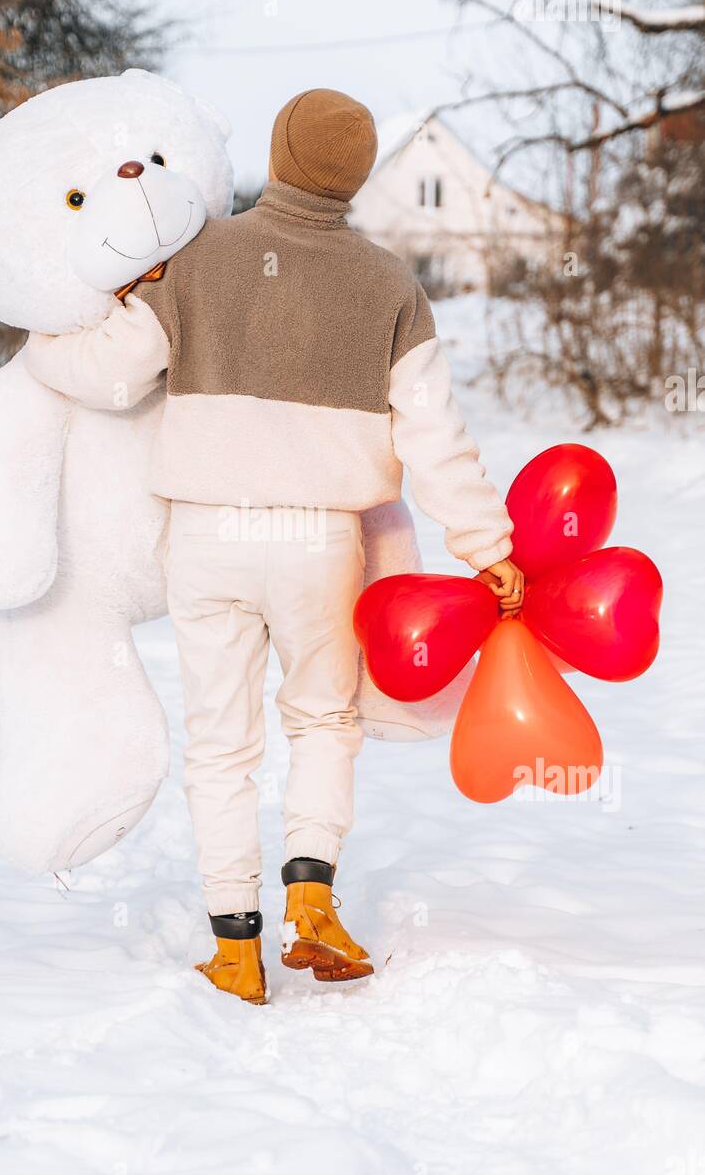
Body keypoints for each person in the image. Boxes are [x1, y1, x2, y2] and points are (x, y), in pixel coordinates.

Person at [26, 88, 523, 1006]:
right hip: (321, 545)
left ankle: (234, 947)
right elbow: (436, 438)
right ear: (359, 173)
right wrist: (487, 544)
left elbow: (106, 373)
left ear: (281, 150)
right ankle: (311, 903)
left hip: (209, 538)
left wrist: (38, 341)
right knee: (323, 722)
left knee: (221, 745)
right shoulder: (391, 289)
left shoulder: (196, 261)